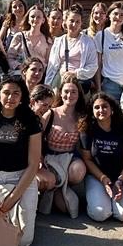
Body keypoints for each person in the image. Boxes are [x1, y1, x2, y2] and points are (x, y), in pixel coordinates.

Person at [0, 74, 42, 246]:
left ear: (22, 97)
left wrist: (11, 199)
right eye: (6, 92)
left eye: (16, 93)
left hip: (22, 179)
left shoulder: (31, 121)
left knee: (22, 241)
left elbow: (34, 163)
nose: (10, 98)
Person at [37, 73, 87, 217]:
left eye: (73, 92)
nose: (69, 95)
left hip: (69, 158)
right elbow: (38, 138)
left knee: (78, 171)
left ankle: (61, 186)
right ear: (60, 92)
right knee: (65, 208)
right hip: (50, 158)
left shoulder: (81, 116)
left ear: (78, 94)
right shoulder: (51, 114)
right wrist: (39, 157)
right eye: (66, 91)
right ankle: (55, 188)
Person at [80, 91, 123, 223]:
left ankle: (113, 202)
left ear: (112, 109)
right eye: (96, 107)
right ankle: (97, 200)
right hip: (98, 177)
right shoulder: (87, 129)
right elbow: (87, 159)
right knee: (100, 213)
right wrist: (103, 179)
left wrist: (120, 181)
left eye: (104, 106)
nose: (101, 110)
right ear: (92, 111)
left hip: (121, 177)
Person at [45, 4, 98, 91]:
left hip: (78, 83)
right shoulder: (59, 41)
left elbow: (93, 66)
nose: (74, 24)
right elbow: (52, 66)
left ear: (81, 23)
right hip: (60, 82)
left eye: (77, 22)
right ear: (65, 21)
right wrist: (47, 86)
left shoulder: (88, 42)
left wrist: (75, 73)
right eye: (71, 21)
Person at [97, 1, 123, 101]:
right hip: (109, 84)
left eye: (121, 15)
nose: (118, 17)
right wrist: (98, 87)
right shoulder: (101, 36)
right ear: (109, 15)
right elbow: (98, 64)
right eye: (115, 14)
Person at [6, 4, 52, 72]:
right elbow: (10, 57)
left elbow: (49, 61)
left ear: (43, 20)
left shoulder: (47, 40)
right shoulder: (19, 36)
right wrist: (20, 66)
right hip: (21, 74)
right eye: (32, 16)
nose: (35, 19)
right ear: (28, 20)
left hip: (40, 76)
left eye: (38, 17)